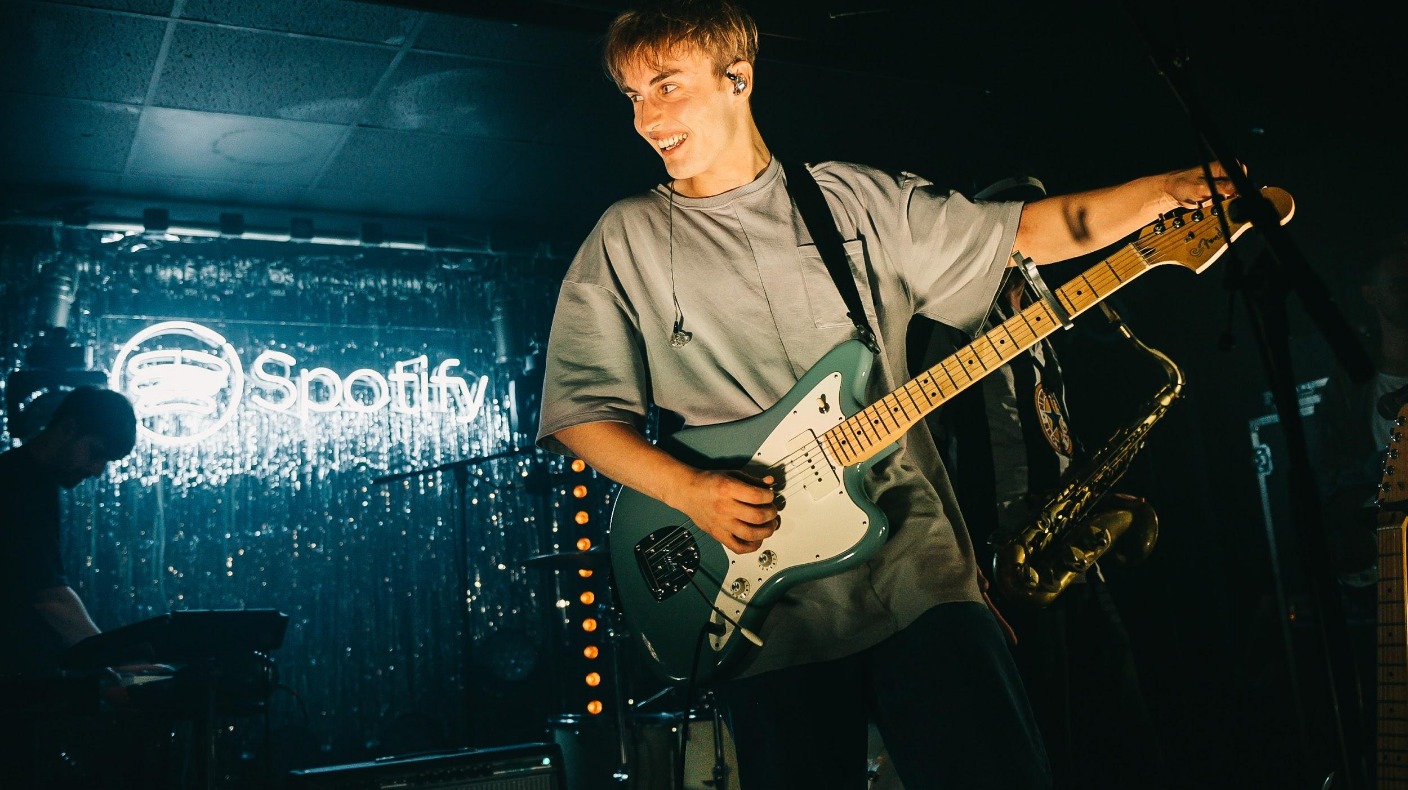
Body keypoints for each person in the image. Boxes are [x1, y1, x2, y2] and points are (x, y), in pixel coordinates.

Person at [534, 2, 1237, 786]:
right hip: (767, 614)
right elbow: (577, 412)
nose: (645, 118)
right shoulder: (625, 236)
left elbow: (1023, 234)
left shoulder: (851, 203)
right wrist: (692, 490)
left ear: (739, 77)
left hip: (917, 577)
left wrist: (1158, 192)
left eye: (665, 86)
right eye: (631, 95)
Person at [914, 174, 1169, 790]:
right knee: (1047, 745)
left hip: (1065, 554)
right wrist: (965, 558)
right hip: (1007, 564)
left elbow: (1049, 433)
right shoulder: (953, 329)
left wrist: (1097, 496)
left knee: (1121, 732)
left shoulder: (1046, 337)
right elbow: (921, 446)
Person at [0, 385, 140, 786]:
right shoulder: (21, 485)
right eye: (95, 453)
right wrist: (114, 669)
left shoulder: (23, 478)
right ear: (67, 427)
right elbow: (48, 597)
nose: (97, 470)